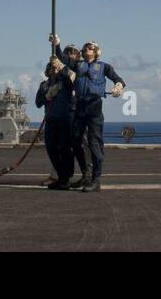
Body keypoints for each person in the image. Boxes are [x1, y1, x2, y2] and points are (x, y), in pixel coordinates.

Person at [69, 40, 125, 193]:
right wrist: (57, 44)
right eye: (86, 46)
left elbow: (118, 79)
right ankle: (85, 175)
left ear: (96, 52)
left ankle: (96, 180)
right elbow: (62, 58)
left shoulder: (104, 66)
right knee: (74, 140)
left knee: (94, 143)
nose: (88, 48)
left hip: (94, 106)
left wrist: (118, 86)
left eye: (91, 47)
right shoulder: (77, 65)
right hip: (80, 106)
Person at [35, 43, 75, 190]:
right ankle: (61, 176)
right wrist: (47, 95)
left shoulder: (65, 82)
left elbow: (73, 78)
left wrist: (62, 67)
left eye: (55, 67)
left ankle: (66, 178)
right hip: (51, 120)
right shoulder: (44, 85)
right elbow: (38, 103)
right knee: (52, 149)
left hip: (65, 119)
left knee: (65, 149)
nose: (54, 70)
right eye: (51, 67)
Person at [61, 44, 92, 189]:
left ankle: (87, 174)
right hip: (66, 111)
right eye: (68, 53)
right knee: (66, 146)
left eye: (73, 52)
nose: (71, 55)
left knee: (80, 143)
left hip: (78, 111)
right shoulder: (63, 70)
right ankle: (66, 177)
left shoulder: (81, 69)